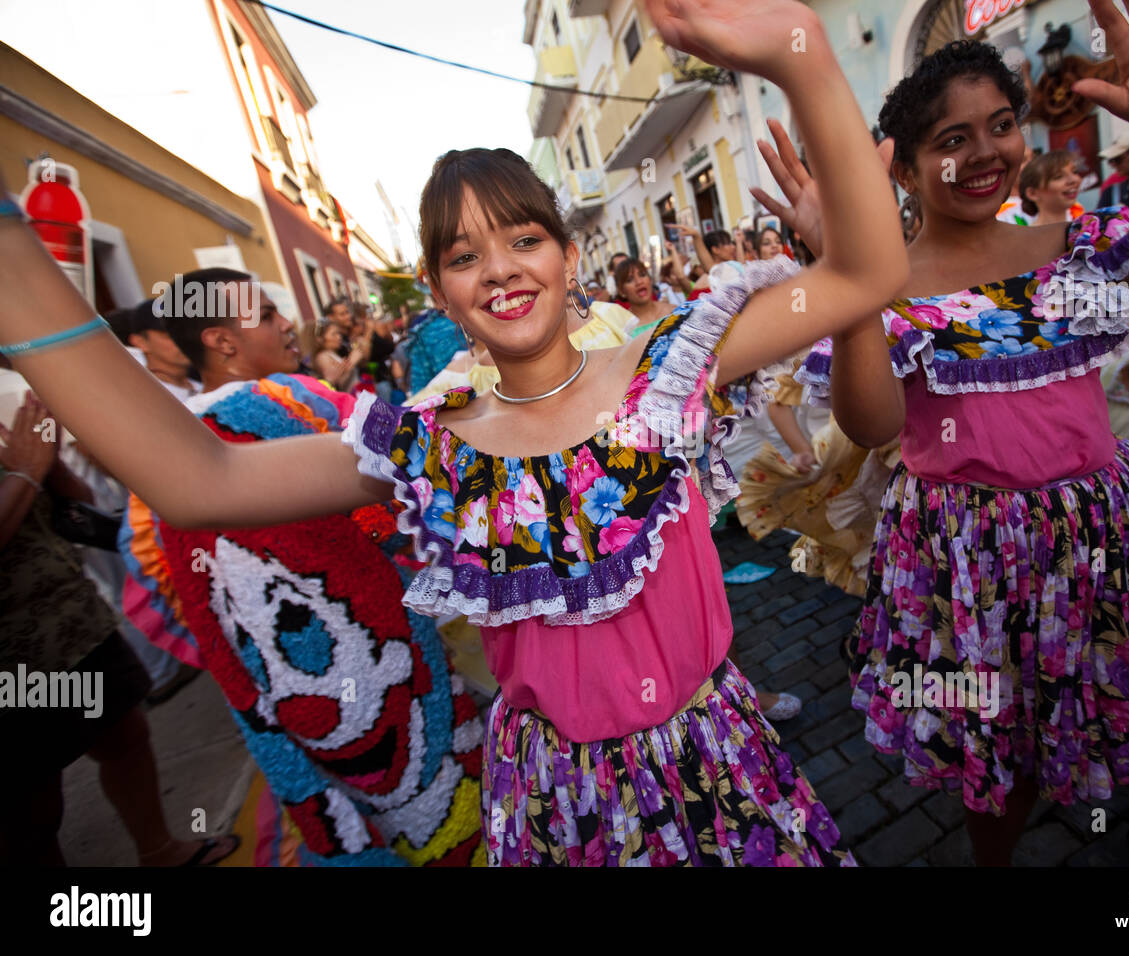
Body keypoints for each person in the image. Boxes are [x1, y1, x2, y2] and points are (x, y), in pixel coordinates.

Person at [0, 0, 909, 866]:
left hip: (716, 754)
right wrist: (15, 266)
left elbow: (867, 272)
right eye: (465, 256)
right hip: (562, 796)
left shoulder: (664, 370)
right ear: (439, 291)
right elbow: (199, 480)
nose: (502, 271)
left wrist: (798, 48)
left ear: (568, 253)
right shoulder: (429, 446)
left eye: (523, 239)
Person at [765, 2, 1129, 867]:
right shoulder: (888, 289)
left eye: (1000, 126)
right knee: (999, 755)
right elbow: (873, 423)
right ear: (902, 171)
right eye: (950, 139)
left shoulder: (1072, 258)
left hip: (1112, 537)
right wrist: (850, 278)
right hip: (968, 557)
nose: (983, 154)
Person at [117, 267, 485, 866]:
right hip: (381, 677)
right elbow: (403, 448)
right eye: (264, 314)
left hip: (317, 705)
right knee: (448, 815)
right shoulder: (264, 408)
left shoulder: (175, 456)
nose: (288, 323)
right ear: (221, 340)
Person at [1, 390, 238, 866]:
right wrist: (25, 471)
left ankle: (159, 850)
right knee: (31, 798)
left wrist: (49, 466)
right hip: (14, 653)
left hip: (71, 623)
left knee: (123, 736)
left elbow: (80, 506)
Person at [1003, 150, 1085, 226]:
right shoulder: (1010, 223)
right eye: (1058, 177)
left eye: (1075, 172)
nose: (1074, 180)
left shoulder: (1084, 224)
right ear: (1032, 193)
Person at [313, 322, 366, 392]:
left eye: (339, 333)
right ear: (321, 338)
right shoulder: (322, 357)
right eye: (334, 334)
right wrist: (352, 362)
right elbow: (337, 385)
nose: (339, 337)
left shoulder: (333, 353)